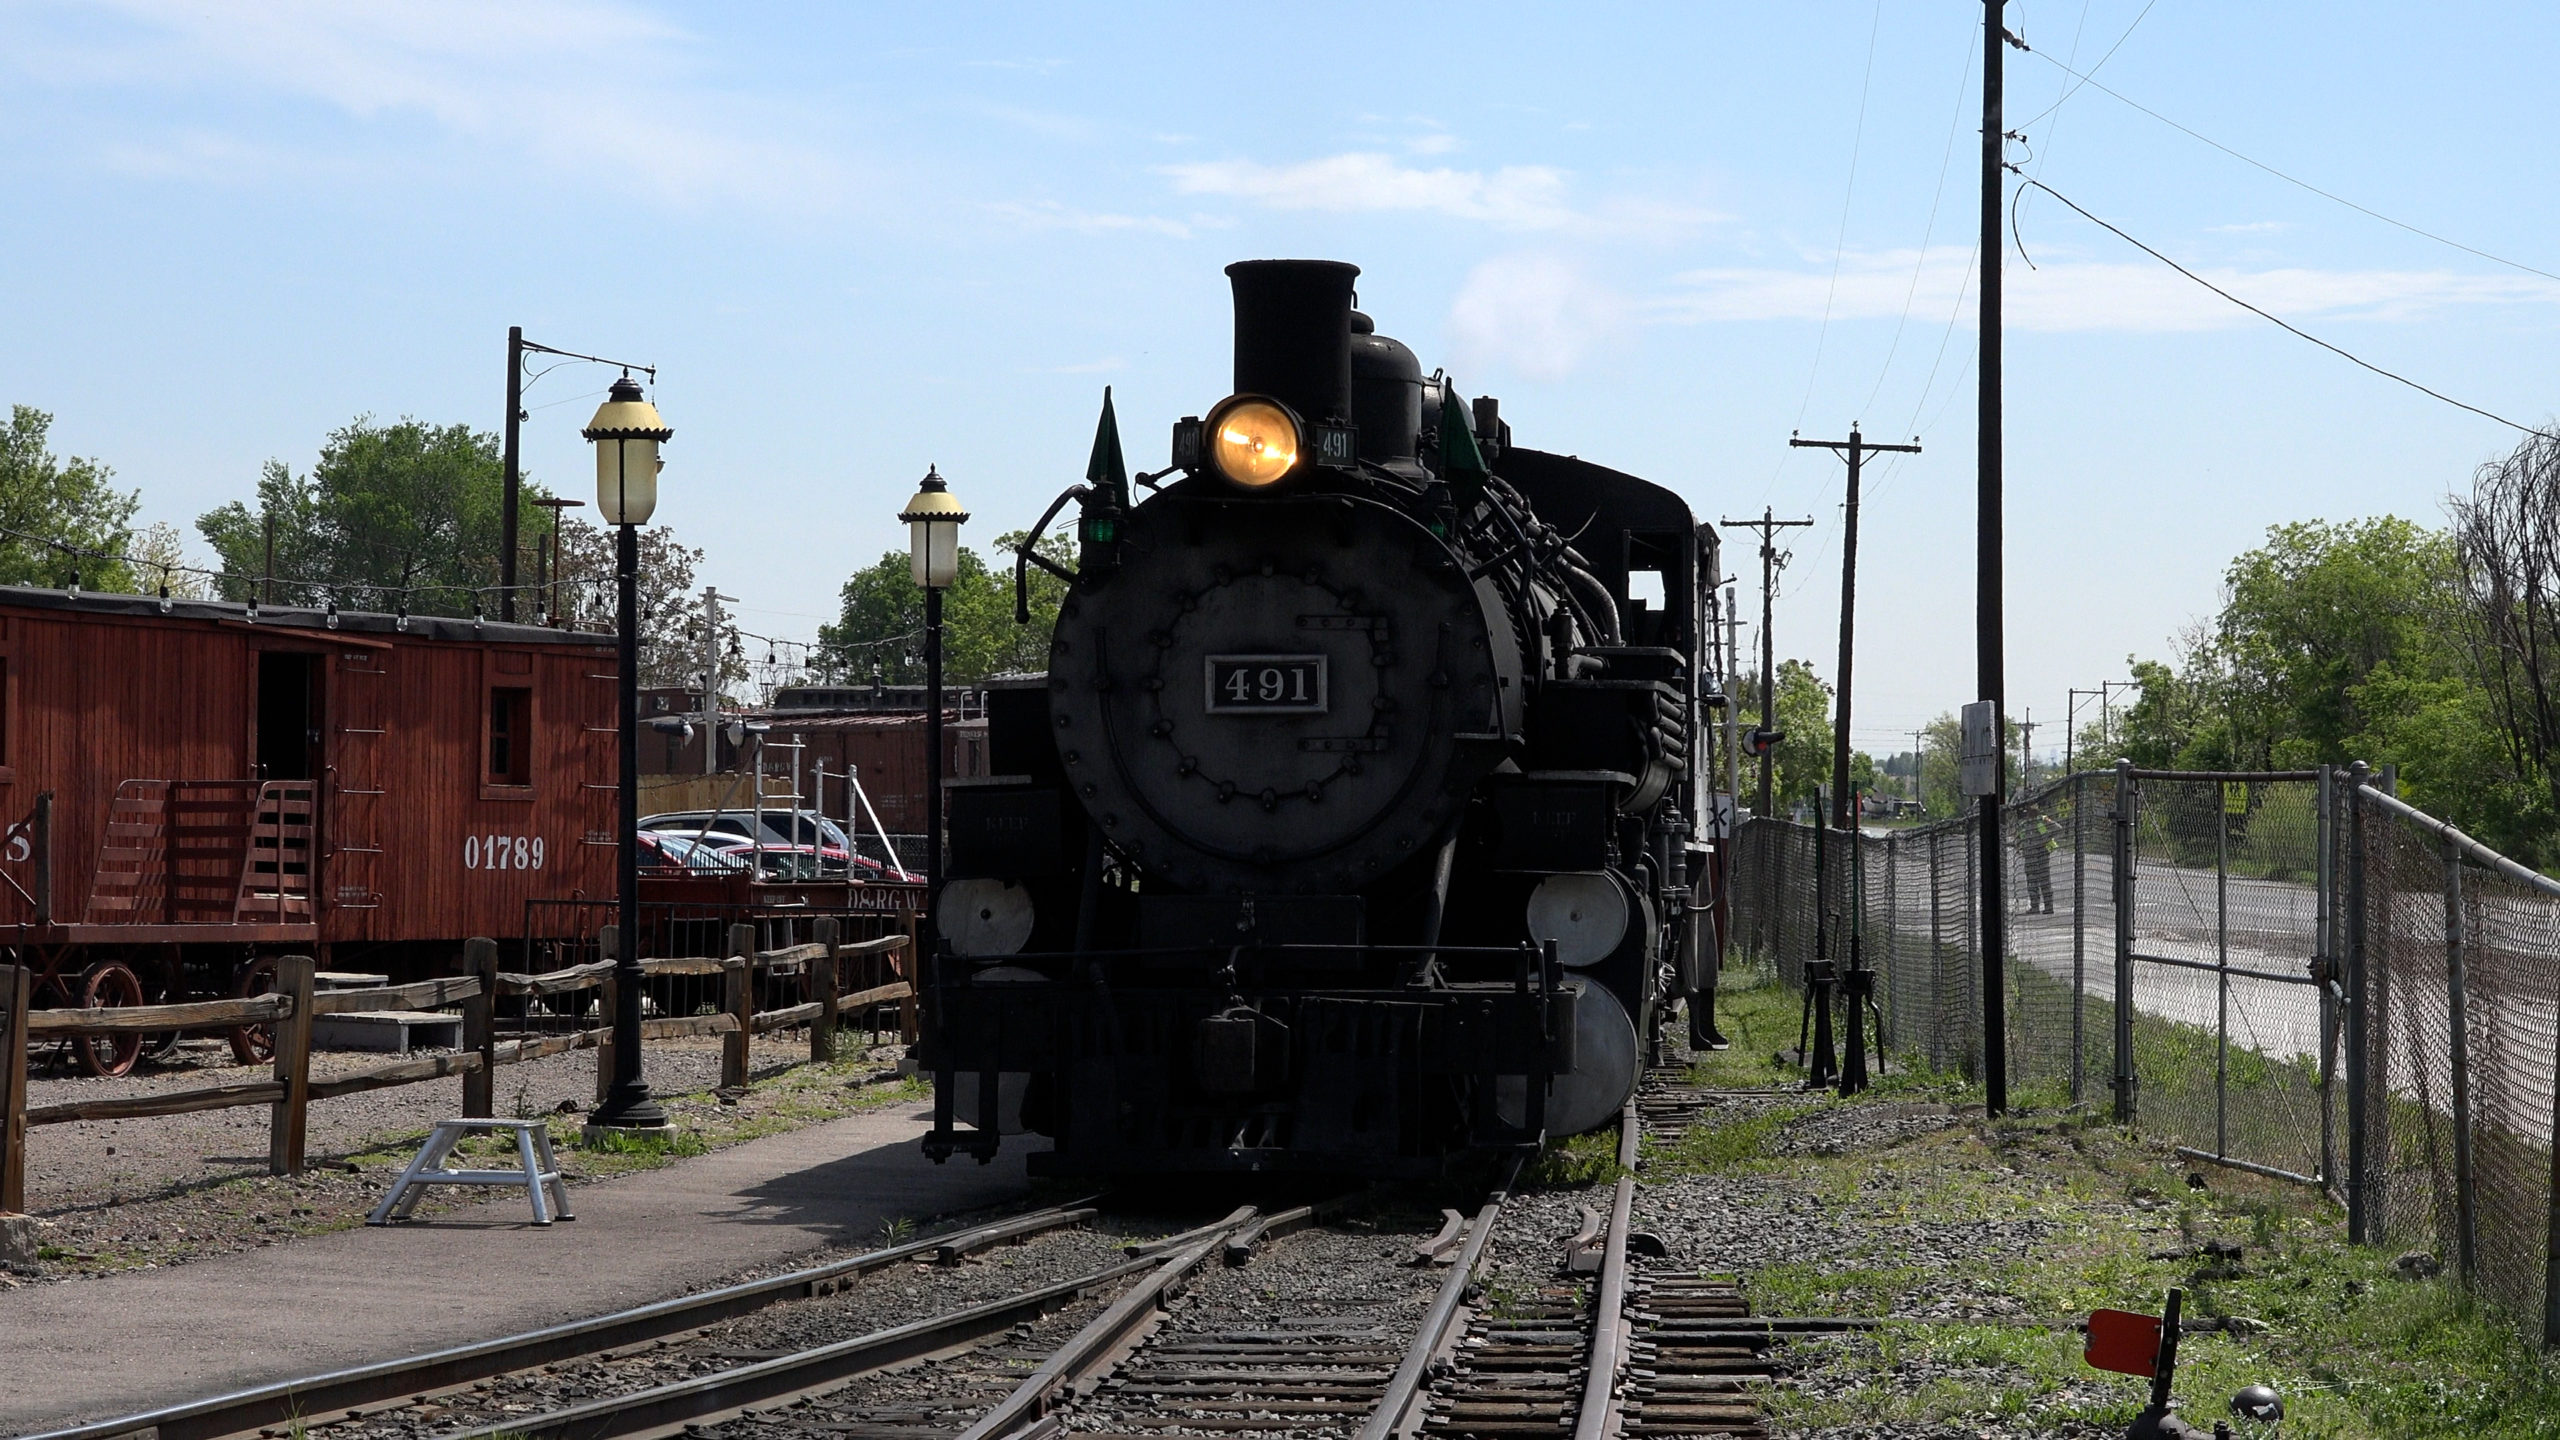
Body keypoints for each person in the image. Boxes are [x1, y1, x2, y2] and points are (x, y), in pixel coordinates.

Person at [2017, 803, 2062, 914]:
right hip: (2029, 855)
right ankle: (2035, 907)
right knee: (2032, 881)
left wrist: (2046, 839)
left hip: (2041, 854)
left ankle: (2048, 907)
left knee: (2044, 880)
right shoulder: (2023, 824)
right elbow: (2020, 838)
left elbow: (2058, 828)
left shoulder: (2042, 820)